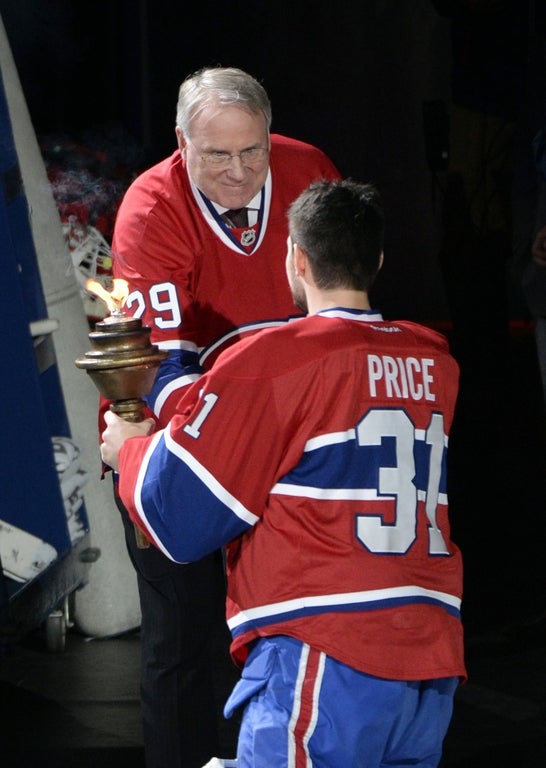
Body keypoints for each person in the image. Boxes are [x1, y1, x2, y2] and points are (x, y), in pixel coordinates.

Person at [101, 178, 466, 768]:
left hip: (325, 645)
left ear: (296, 258)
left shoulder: (275, 357)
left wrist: (130, 452)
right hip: (430, 655)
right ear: (376, 260)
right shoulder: (434, 360)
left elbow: (183, 512)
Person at [101, 66, 341, 768]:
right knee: (181, 640)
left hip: (288, 443)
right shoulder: (152, 206)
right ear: (181, 143)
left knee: (292, 629)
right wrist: (249, 429)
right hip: (174, 440)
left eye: (252, 150)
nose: (238, 172)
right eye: (216, 155)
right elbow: (158, 367)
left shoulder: (311, 173)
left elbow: (342, 311)